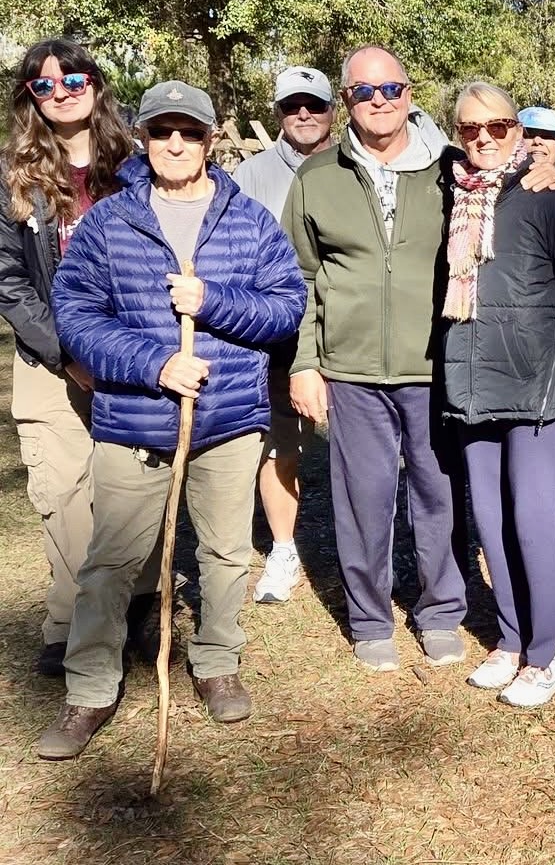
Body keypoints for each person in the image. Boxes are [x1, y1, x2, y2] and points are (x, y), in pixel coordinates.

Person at [37, 81, 305, 759]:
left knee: (220, 553)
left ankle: (217, 662)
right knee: (111, 561)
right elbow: (76, 315)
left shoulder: (247, 222)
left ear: (212, 139)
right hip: (133, 421)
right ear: (144, 139)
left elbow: (284, 307)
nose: (176, 143)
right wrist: (154, 363)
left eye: (189, 131)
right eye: (162, 131)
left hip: (229, 419)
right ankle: (89, 688)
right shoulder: (110, 222)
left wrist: (212, 301)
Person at [283, 44, 471, 673]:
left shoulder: (453, 169)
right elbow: (300, 280)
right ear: (347, 102)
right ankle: (369, 619)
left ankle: (441, 609)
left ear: (409, 94)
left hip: (434, 364)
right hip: (352, 368)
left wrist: (547, 170)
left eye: (390, 89)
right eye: (364, 92)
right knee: (362, 497)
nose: (379, 101)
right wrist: (305, 362)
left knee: (437, 494)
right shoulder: (318, 176)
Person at [439, 84, 555, 707]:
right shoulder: (451, 194)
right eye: (469, 129)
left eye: (498, 126)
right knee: (492, 520)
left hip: (542, 388)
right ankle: (512, 639)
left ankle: (552, 651)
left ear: (519, 130)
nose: (484, 138)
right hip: (474, 386)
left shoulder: (551, 201)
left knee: (537, 522)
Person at [0, 40, 157, 677]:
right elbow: (8, 276)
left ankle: (138, 611)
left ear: (96, 83)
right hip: (49, 358)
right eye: (44, 85)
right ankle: (68, 622)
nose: (61, 91)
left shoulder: (137, 165)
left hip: (129, 350)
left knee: (133, 488)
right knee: (62, 492)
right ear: (30, 99)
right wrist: (65, 352)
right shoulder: (13, 175)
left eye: (73, 78)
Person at [231, 65, 335, 606]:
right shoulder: (249, 176)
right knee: (280, 446)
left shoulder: (352, 164)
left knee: (363, 447)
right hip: (277, 335)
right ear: (278, 112)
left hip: (347, 329)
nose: (303, 114)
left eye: (314, 105)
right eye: (292, 105)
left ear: (331, 110)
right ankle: (284, 548)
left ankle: (370, 548)